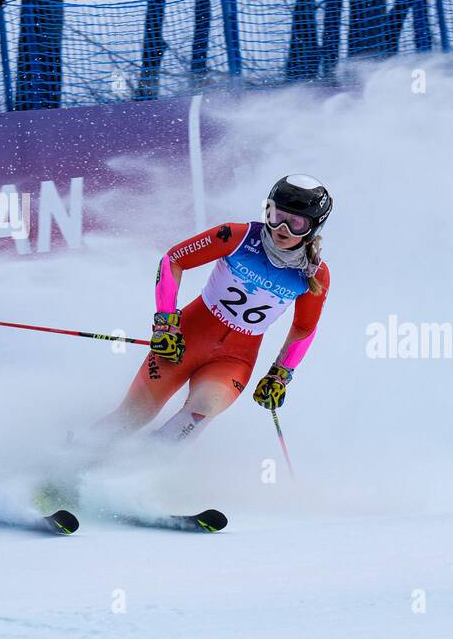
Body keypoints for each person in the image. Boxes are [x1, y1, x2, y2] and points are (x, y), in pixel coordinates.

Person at [94, 174, 332, 446]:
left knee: (199, 412)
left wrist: (280, 374)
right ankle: (70, 459)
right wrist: (165, 323)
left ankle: (128, 474)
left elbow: (304, 328)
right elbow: (173, 260)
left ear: (313, 228)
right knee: (135, 414)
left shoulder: (314, 275)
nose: (283, 229)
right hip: (184, 338)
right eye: (276, 215)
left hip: (233, 360)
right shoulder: (236, 236)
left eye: (296, 223)